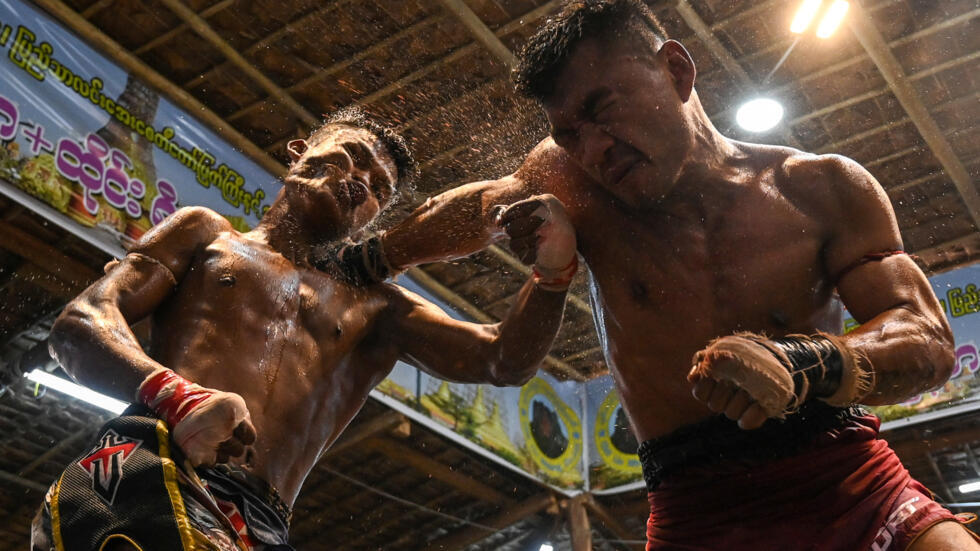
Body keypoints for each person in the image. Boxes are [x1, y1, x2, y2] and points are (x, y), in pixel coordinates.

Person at [352, 1, 980, 549]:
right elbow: (478, 210)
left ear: (676, 70)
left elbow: (928, 341)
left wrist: (809, 363)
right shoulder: (570, 179)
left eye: (603, 109)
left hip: (852, 483)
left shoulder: (820, 188)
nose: (593, 149)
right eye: (569, 134)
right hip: (695, 515)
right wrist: (367, 260)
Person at [31, 107, 578, 551]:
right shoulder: (208, 235)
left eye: (378, 188)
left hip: (261, 525)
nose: (361, 181)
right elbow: (81, 321)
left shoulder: (379, 309)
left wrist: (553, 275)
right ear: (300, 151)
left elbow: (504, 359)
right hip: (152, 466)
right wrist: (177, 397)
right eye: (353, 157)